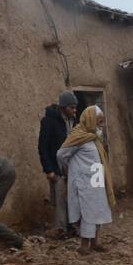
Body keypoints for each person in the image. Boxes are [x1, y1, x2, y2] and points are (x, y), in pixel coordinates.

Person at [58, 105, 115, 256]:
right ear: (90, 120)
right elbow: (61, 155)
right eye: (98, 121)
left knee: (97, 209)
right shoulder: (78, 136)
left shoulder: (93, 136)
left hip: (96, 180)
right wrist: (75, 169)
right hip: (84, 182)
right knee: (87, 212)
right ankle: (84, 245)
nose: (101, 124)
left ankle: (96, 242)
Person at [38, 90, 78, 238]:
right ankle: (61, 229)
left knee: (72, 198)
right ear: (62, 107)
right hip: (57, 167)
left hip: (72, 166)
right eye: (71, 108)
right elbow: (43, 147)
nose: (74, 111)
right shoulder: (49, 121)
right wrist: (48, 169)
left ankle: (72, 227)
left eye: (75, 107)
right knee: (60, 199)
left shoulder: (73, 121)